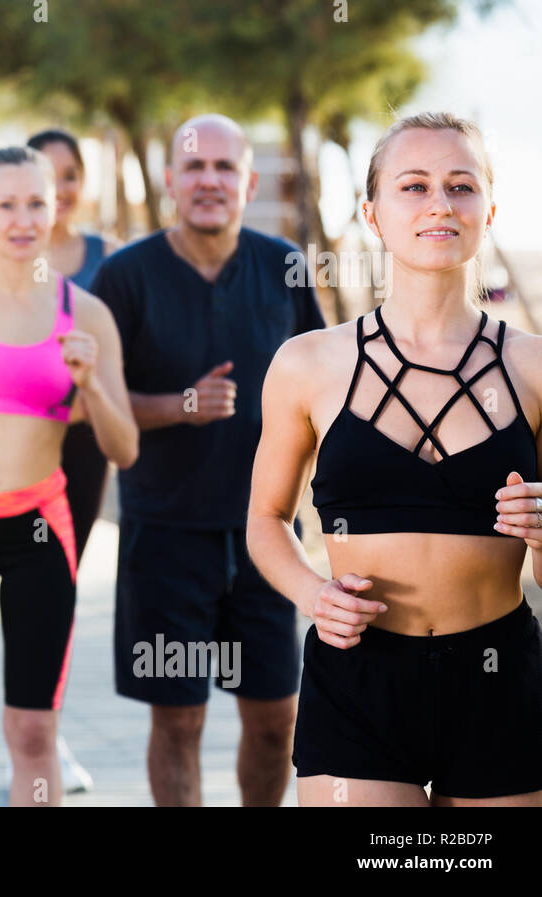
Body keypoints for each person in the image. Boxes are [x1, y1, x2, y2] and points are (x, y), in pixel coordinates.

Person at [248, 112, 542, 807]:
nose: (440, 203)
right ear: (372, 212)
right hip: (359, 680)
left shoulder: (533, 367)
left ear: (488, 210)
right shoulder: (308, 363)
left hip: (500, 678)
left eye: (460, 186)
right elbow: (264, 519)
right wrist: (311, 594)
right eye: (413, 185)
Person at [94, 113, 326, 806]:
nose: (209, 180)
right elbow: (91, 404)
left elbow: (326, 387)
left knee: (275, 718)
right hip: (163, 534)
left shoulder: (284, 266)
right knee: (179, 720)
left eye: (225, 167)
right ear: (169, 179)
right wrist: (179, 406)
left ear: (248, 182)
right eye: (193, 166)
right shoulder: (124, 276)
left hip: (269, 535)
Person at [0, 146, 137, 806]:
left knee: (34, 730)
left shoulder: (84, 312)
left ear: (56, 207)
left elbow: (125, 450)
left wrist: (90, 380)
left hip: (40, 527)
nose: (22, 218)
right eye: (5, 204)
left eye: (36, 202)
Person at [28, 127, 123, 793]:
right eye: (43, 174)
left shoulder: (108, 259)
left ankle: (44, 738)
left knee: (55, 591)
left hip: (81, 451)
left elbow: (120, 366)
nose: (57, 189)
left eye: (69, 174)